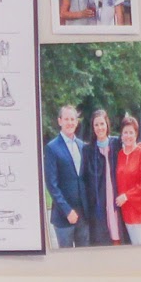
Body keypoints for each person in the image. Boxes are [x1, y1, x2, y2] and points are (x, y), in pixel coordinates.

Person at [44, 104, 89, 247]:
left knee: (85, 259)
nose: (70, 122)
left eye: (73, 119)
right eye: (66, 119)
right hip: (63, 217)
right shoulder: (52, 148)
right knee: (66, 261)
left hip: (83, 215)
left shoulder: (82, 146)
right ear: (60, 121)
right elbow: (52, 185)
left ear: (77, 122)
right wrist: (67, 211)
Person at [113, 114, 141, 244]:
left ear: (136, 134)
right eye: (125, 132)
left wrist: (126, 196)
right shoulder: (119, 155)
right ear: (121, 135)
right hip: (127, 214)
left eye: (131, 132)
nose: (128, 136)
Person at [82, 109, 123, 245]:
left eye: (102, 124)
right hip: (99, 203)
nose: (100, 128)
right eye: (96, 125)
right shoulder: (88, 150)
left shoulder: (117, 143)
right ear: (93, 128)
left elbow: (131, 147)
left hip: (116, 198)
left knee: (118, 236)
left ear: (107, 124)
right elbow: (84, 179)